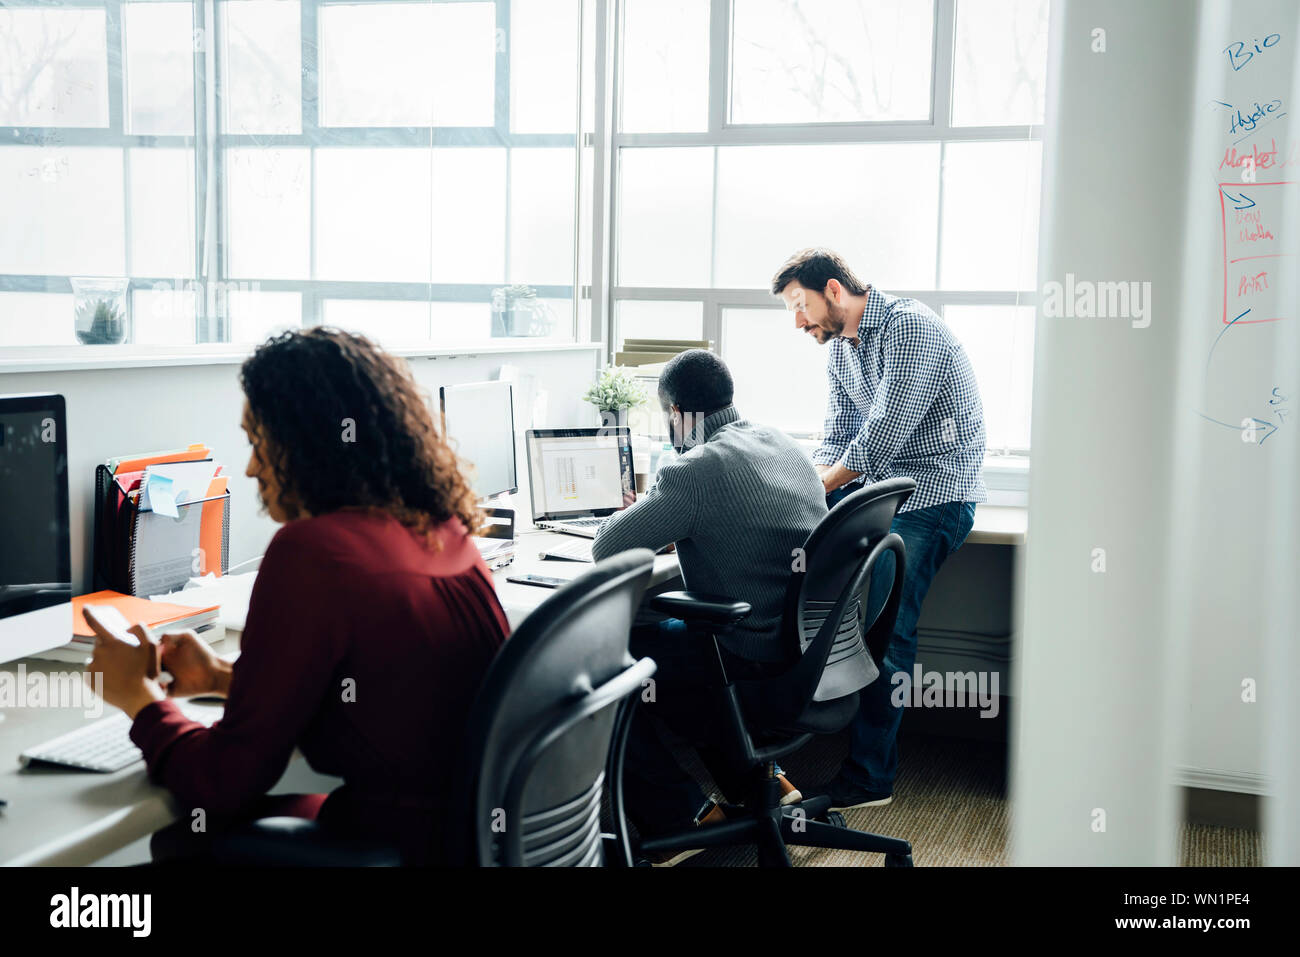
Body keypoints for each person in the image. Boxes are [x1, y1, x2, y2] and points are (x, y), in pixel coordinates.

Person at [85, 328, 510, 865]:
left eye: (260, 443)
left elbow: (221, 782)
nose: (252, 468)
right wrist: (221, 678)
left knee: (184, 839)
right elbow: (394, 698)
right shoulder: (441, 528)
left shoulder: (315, 552)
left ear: (306, 445)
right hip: (463, 838)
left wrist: (139, 698)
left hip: (405, 845)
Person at [771, 247, 985, 811]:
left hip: (934, 496)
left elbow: (882, 434)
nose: (798, 322)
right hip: (879, 496)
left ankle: (870, 779)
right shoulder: (842, 349)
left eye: (801, 306)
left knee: (887, 634)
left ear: (834, 290)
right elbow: (838, 433)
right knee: (805, 593)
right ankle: (774, 749)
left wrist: (819, 488)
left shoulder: (909, 329)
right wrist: (808, 486)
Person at [591, 349, 826, 855]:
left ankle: (681, 817)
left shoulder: (695, 469)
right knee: (677, 662)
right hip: (810, 650)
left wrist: (647, 513)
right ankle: (765, 785)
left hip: (751, 653)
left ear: (677, 414)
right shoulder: (781, 441)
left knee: (602, 661)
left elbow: (606, 548)